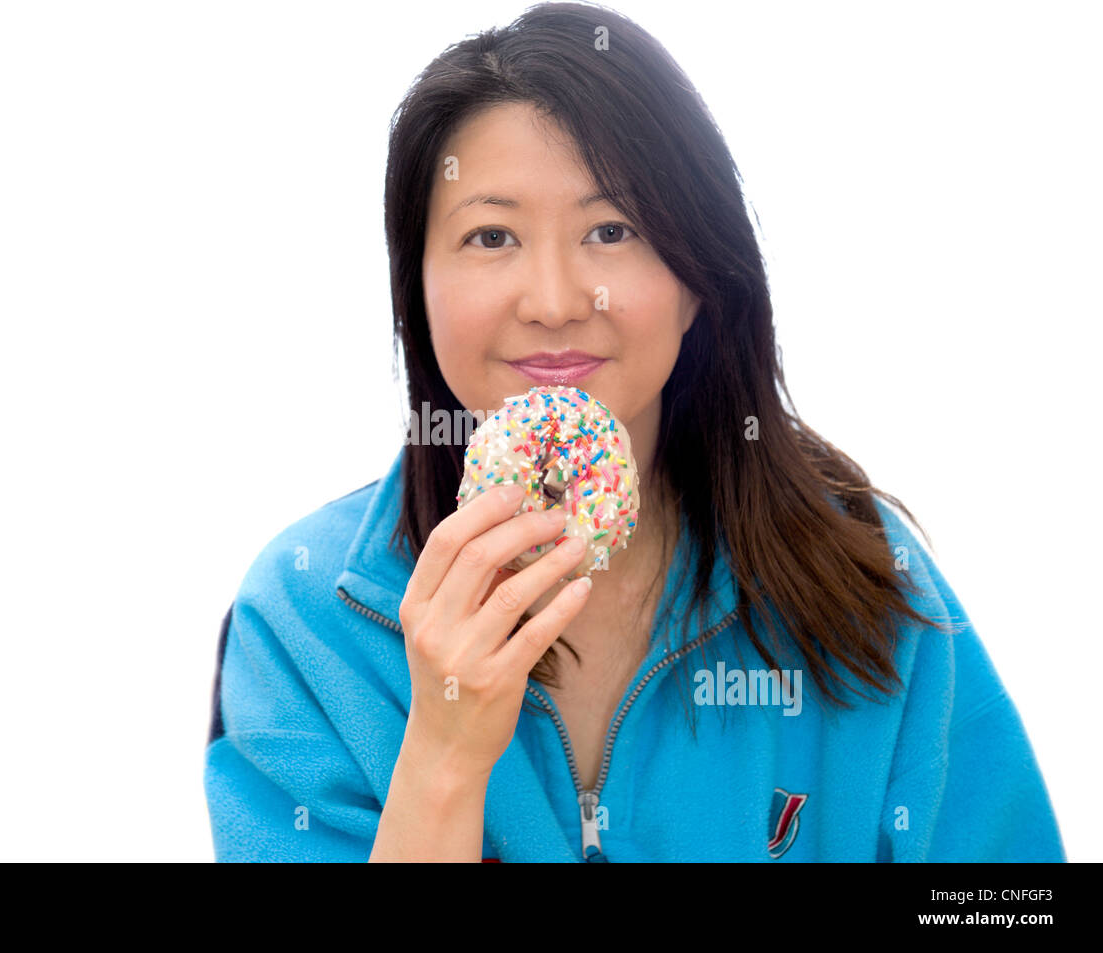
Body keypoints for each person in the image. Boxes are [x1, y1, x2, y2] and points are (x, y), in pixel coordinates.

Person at [203, 1, 1066, 862]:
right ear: (416, 286)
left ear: (698, 275)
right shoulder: (303, 621)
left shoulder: (863, 578)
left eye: (611, 230)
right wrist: (445, 755)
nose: (552, 300)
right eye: (491, 234)